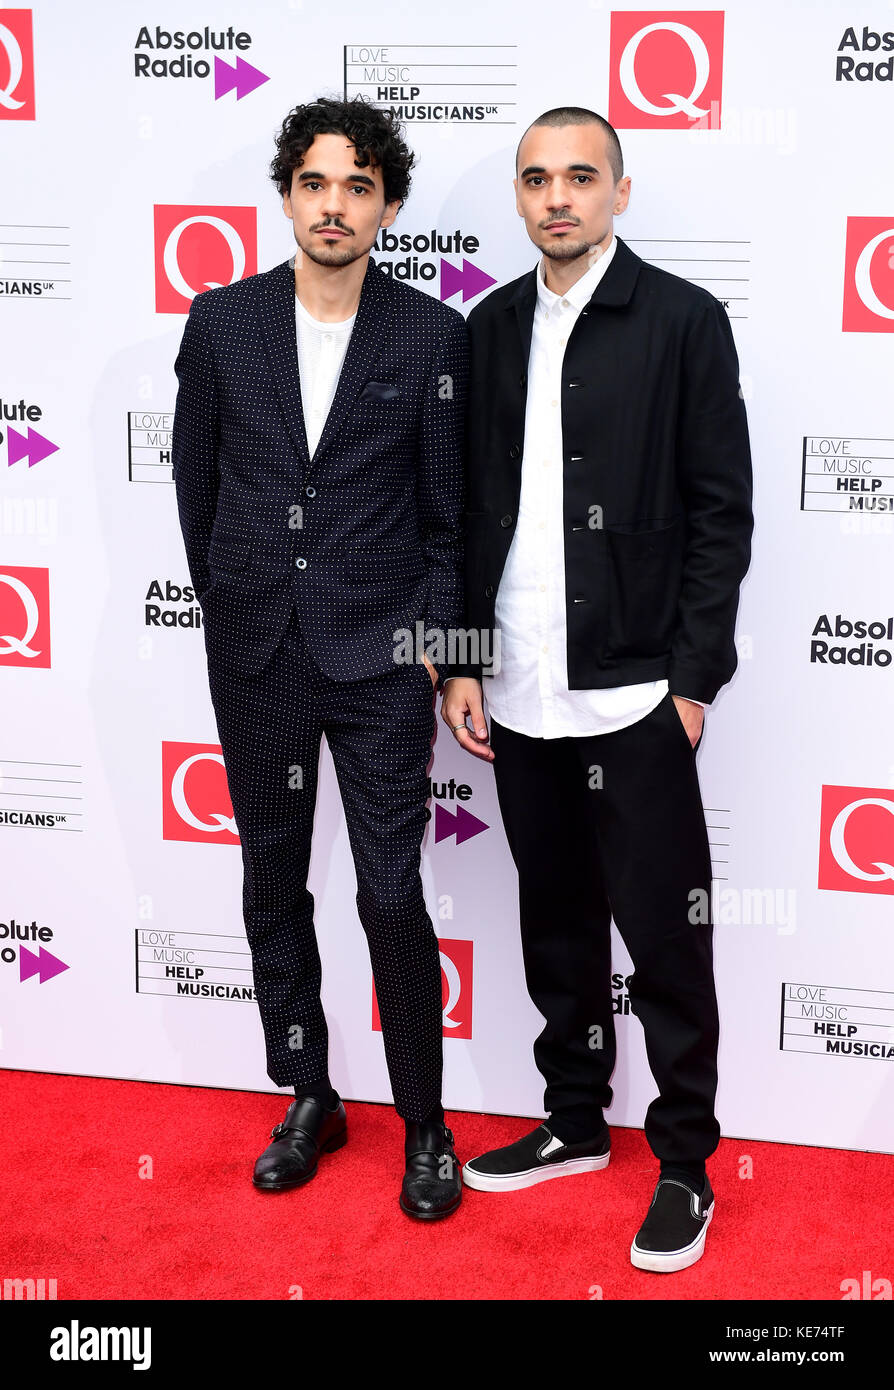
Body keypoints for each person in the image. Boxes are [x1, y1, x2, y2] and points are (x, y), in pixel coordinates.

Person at [442, 106, 753, 1270]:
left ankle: (682, 1163)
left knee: (666, 938)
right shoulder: (489, 327)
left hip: (634, 693)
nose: (557, 197)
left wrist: (693, 679)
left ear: (621, 190)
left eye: (581, 176)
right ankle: (575, 1120)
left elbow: (723, 512)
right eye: (536, 180)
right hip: (517, 685)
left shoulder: (682, 320)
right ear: (519, 201)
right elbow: (470, 510)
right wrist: (462, 653)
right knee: (554, 917)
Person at [172, 95, 468, 1220]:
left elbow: (450, 521)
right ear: (287, 192)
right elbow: (196, 490)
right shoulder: (222, 322)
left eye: (356, 185)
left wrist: (445, 659)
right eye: (313, 182)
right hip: (257, 651)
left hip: (384, 657)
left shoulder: (432, 335)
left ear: (386, 204)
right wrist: (230, 603)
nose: (333, 205)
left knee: (392, 893)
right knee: (270, 882)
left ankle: (426, 1123)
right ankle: (308, 1091)